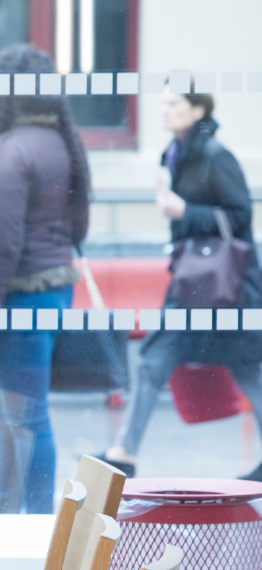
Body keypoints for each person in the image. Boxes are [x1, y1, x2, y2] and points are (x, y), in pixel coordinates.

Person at [101, 82, 262, 481]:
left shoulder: (214, 154)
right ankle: (125, 451)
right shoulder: (175, 153)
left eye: (174, 103)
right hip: (194, 284)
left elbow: (240, 217)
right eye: (161, 104)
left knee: (245, 367)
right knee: (155, 359)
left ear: (197, 110)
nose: (165, 111)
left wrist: (185, 211)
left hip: (226, 287)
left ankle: (125, 451)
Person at [0, 44, 92, 514]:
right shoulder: (63, 144)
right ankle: (11, 512)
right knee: (22, 413)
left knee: (25, 415)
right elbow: (80, 224)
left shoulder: (10, 150)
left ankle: (31, 517)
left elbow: (2, 239)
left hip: (20, 294)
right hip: (55, 287)